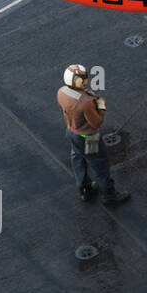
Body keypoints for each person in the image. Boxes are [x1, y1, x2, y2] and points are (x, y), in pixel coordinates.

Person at [56, 64, 130, 205]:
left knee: (78, 158)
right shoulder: (86, 102)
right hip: (88, 137)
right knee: (100, 164)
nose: (85, 80)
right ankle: (109, 195)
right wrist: (101, 106)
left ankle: (85, 189)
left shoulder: (61, 92)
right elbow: (96, 123)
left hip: (71, 132)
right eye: (83, 78)